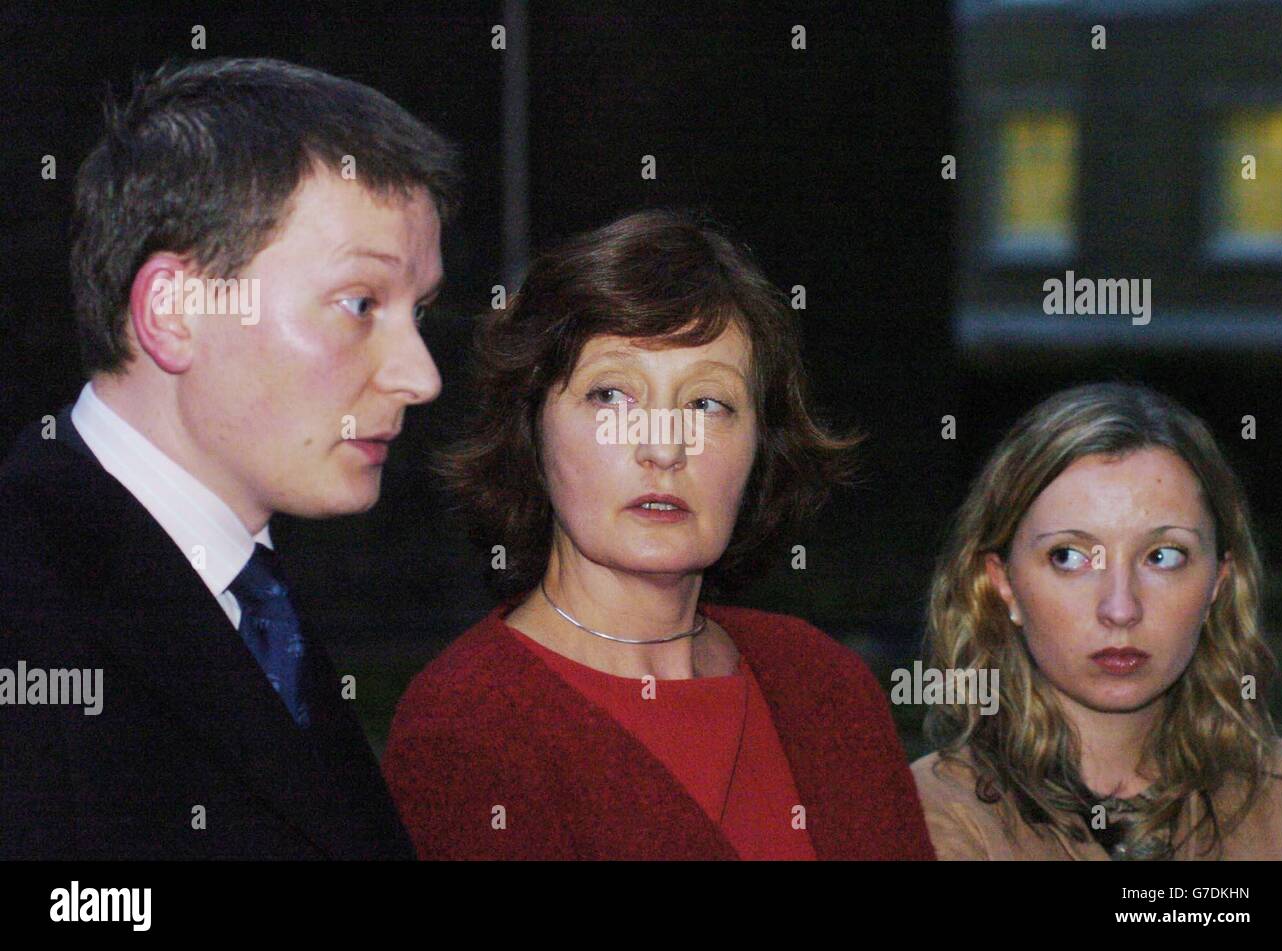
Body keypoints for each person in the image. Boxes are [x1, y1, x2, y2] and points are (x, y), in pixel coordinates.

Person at [0, 57, 460, 859]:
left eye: (418, 311)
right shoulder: (27, 611)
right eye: (360, 303)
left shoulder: (258, 602)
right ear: (174, 312)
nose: (421, 376)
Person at [383, 209, 935, 860]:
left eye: (708, 404)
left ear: (762, 444)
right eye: (612, 395)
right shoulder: (464, 729)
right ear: (531, 428)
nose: (665, 447)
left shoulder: (828, 687)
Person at [911, 382, 1282, 860]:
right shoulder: (925, 817)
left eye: (1162, 556)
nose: (1120, 608)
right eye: (1069, 556)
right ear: (1002, 583)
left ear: (1219, 582)